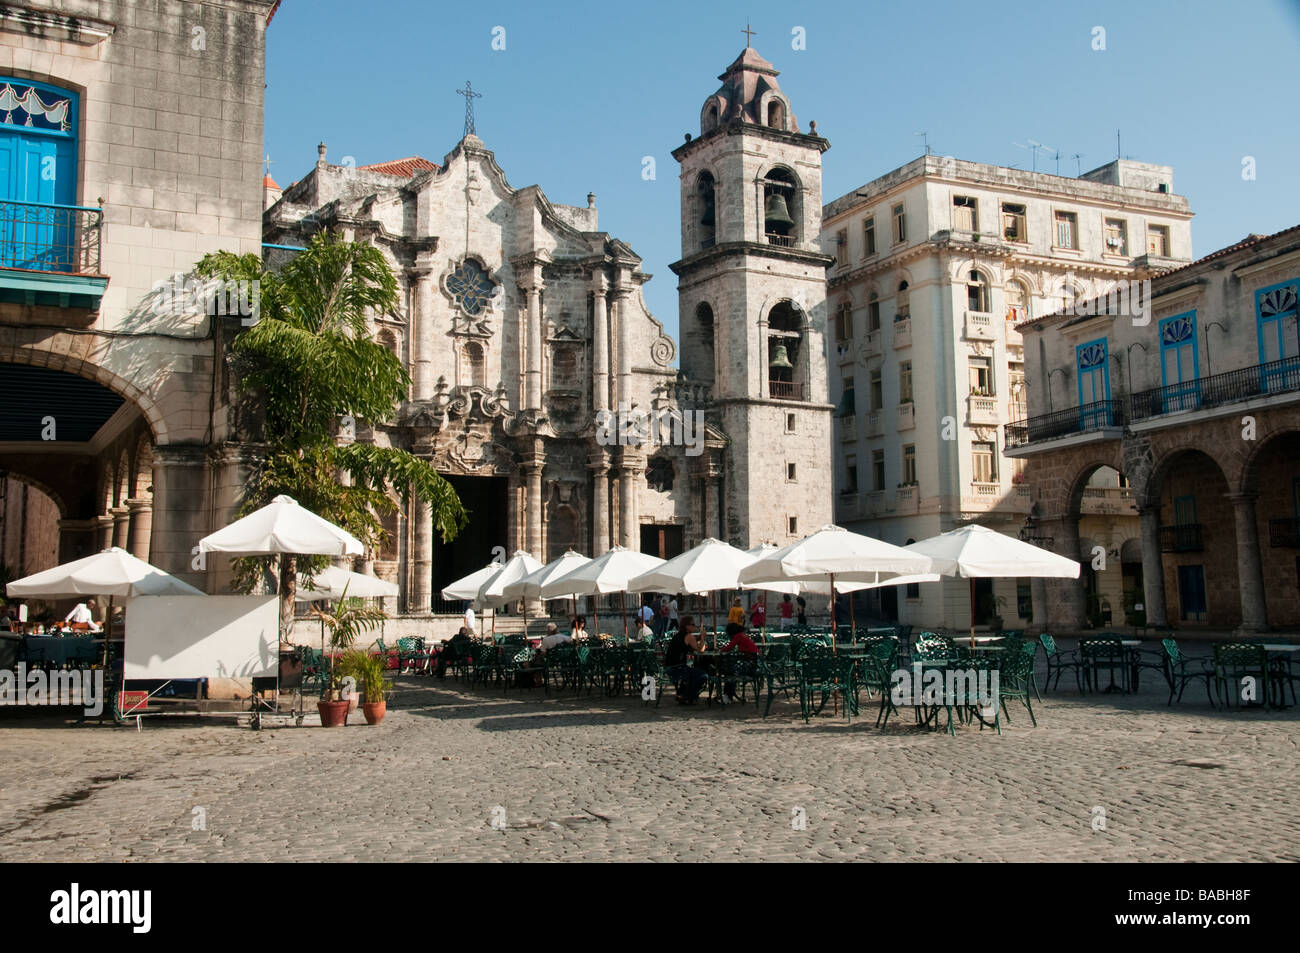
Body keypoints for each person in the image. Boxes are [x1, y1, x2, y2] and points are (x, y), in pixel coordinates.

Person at [663, 617, 707, 703]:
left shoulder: (679, 635)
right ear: (687, 626)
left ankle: (682, 693)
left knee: (694, 671)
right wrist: (703, 638)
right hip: (677, 668)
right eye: (693, 624)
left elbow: (688, 643)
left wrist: (698, 638)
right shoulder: (689, 636)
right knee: (703, 675)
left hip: (670, 667)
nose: (694, 626)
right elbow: (701, 650)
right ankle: (688, 696)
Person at [719, 620, 760, 703]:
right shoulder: (742, 635)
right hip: (754, 664)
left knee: (730, 672)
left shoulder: (738, 636)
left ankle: (727, 696)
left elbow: (730, 647)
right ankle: (729, 695)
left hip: (749, 665)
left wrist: (720, 650)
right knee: (731, 670)